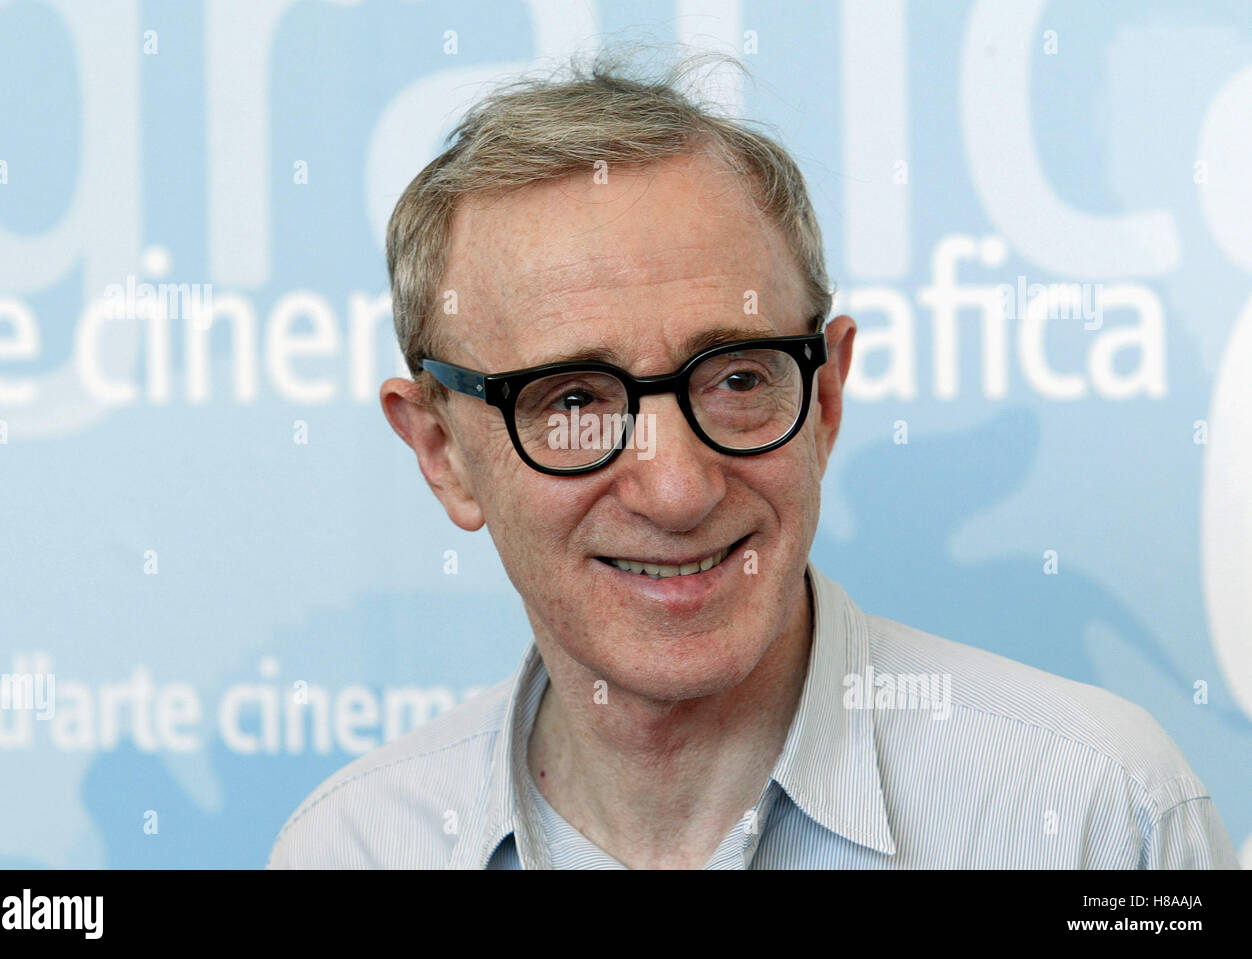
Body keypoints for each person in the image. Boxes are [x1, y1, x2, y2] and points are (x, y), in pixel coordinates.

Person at [267, 54, 1238, 869]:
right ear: (441, 452)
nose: (678, 488)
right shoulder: (352, 848)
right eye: (572, 400)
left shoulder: (1098, 818)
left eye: (735, 379)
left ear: (823, 399)